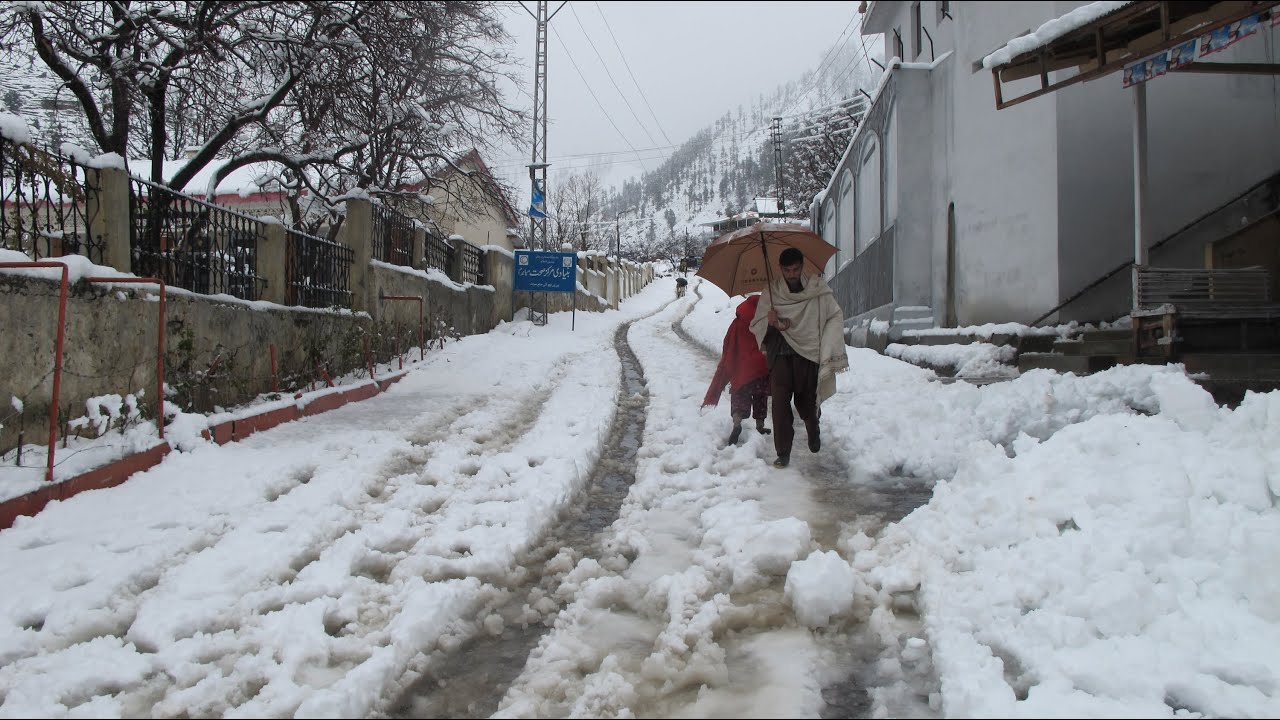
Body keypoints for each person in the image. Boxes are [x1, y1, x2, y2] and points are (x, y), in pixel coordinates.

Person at [749, 247, 848, 468]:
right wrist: (770, 322)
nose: (791, 274)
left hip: (807, 355)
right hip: (780, 357)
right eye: (787, 270)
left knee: (807, 402)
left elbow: (834, 314)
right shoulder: (772, 292)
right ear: (781, 269)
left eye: (795, 269)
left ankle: (813, 429)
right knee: (780, 406)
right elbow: (757, 325)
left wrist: (827, 343)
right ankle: (783, 452)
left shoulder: (816, 289)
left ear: (801, 266)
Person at [702, 294, 771, 445]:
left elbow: (729, 343)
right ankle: (760, 426)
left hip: (742, 369)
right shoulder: (765, 321)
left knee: (740, 398)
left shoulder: (738, 322)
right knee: (760, 398)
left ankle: (737, 424)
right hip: (761, 368)